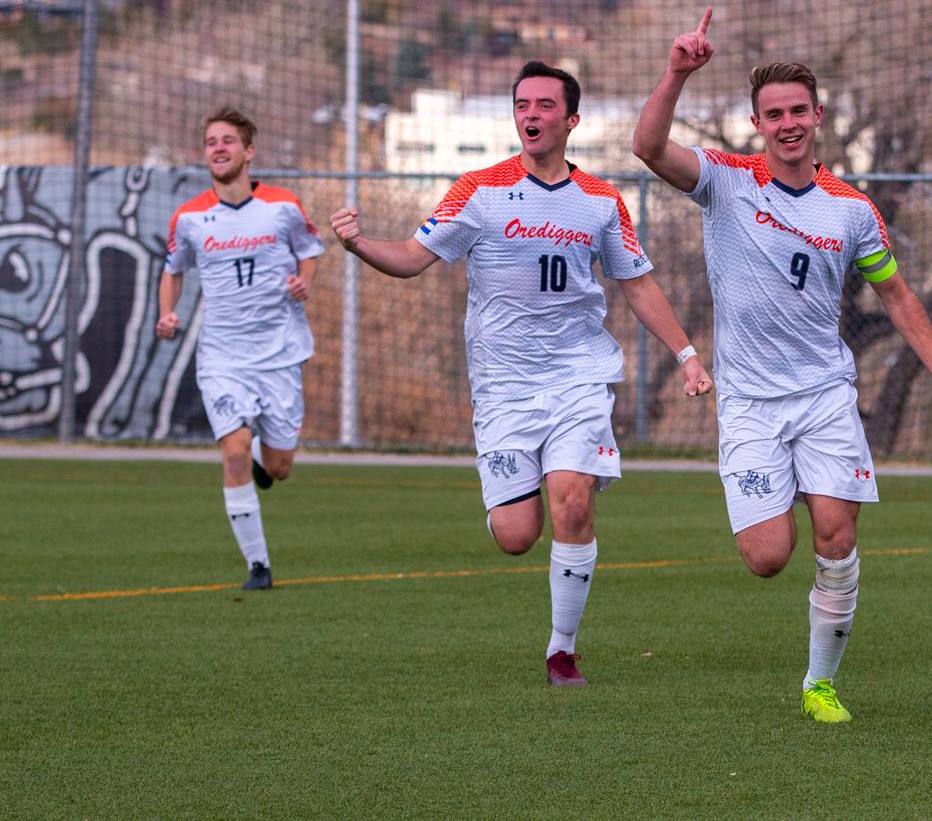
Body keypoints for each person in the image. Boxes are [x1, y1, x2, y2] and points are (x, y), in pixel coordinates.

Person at [632, 9, 932, 723]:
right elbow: (647, 146)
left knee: (837, 535)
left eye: (798, 110)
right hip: (752, 404)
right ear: (756, 123)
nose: (787, 123)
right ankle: (774, 486)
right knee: (766, 556)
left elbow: (899, 295)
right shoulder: (724, 181)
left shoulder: (851, 211)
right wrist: (677, 74)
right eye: (773, 113)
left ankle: (820, 683)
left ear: (818, 116)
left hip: (823, 396)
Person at [329, 61, 712, 687]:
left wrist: (686, 354)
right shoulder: (477, 189)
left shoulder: (601, 200)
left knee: (573, 501)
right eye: (522, 105)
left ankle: (562, 649)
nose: (530, 115)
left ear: (570, 119)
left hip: (578, 378)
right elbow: (411, 257)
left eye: (543, 105)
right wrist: (359, 244)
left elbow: (638, 285)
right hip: (503, 384)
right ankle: (507, 496)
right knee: (515, 535)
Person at [157, 107, 324, 591]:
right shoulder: (189, 217)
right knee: (233, 453)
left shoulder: (282, 206)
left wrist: (302, 282)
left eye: (228, 140)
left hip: (279, 353)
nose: (218, 148)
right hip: (222, 357)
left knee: (279, 468)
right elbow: (173, 269)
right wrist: (167, 313)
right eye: (211, 141)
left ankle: (261, 458)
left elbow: (310, 252)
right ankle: (258, 566)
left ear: (248, 152)